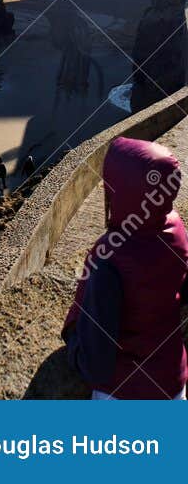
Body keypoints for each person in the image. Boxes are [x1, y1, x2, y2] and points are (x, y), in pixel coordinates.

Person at [63, 137, 188, 399]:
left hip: (124, 395)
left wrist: (73, 342)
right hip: (175, 383)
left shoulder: (109, 257)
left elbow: (95, 365)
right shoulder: (177, 231)